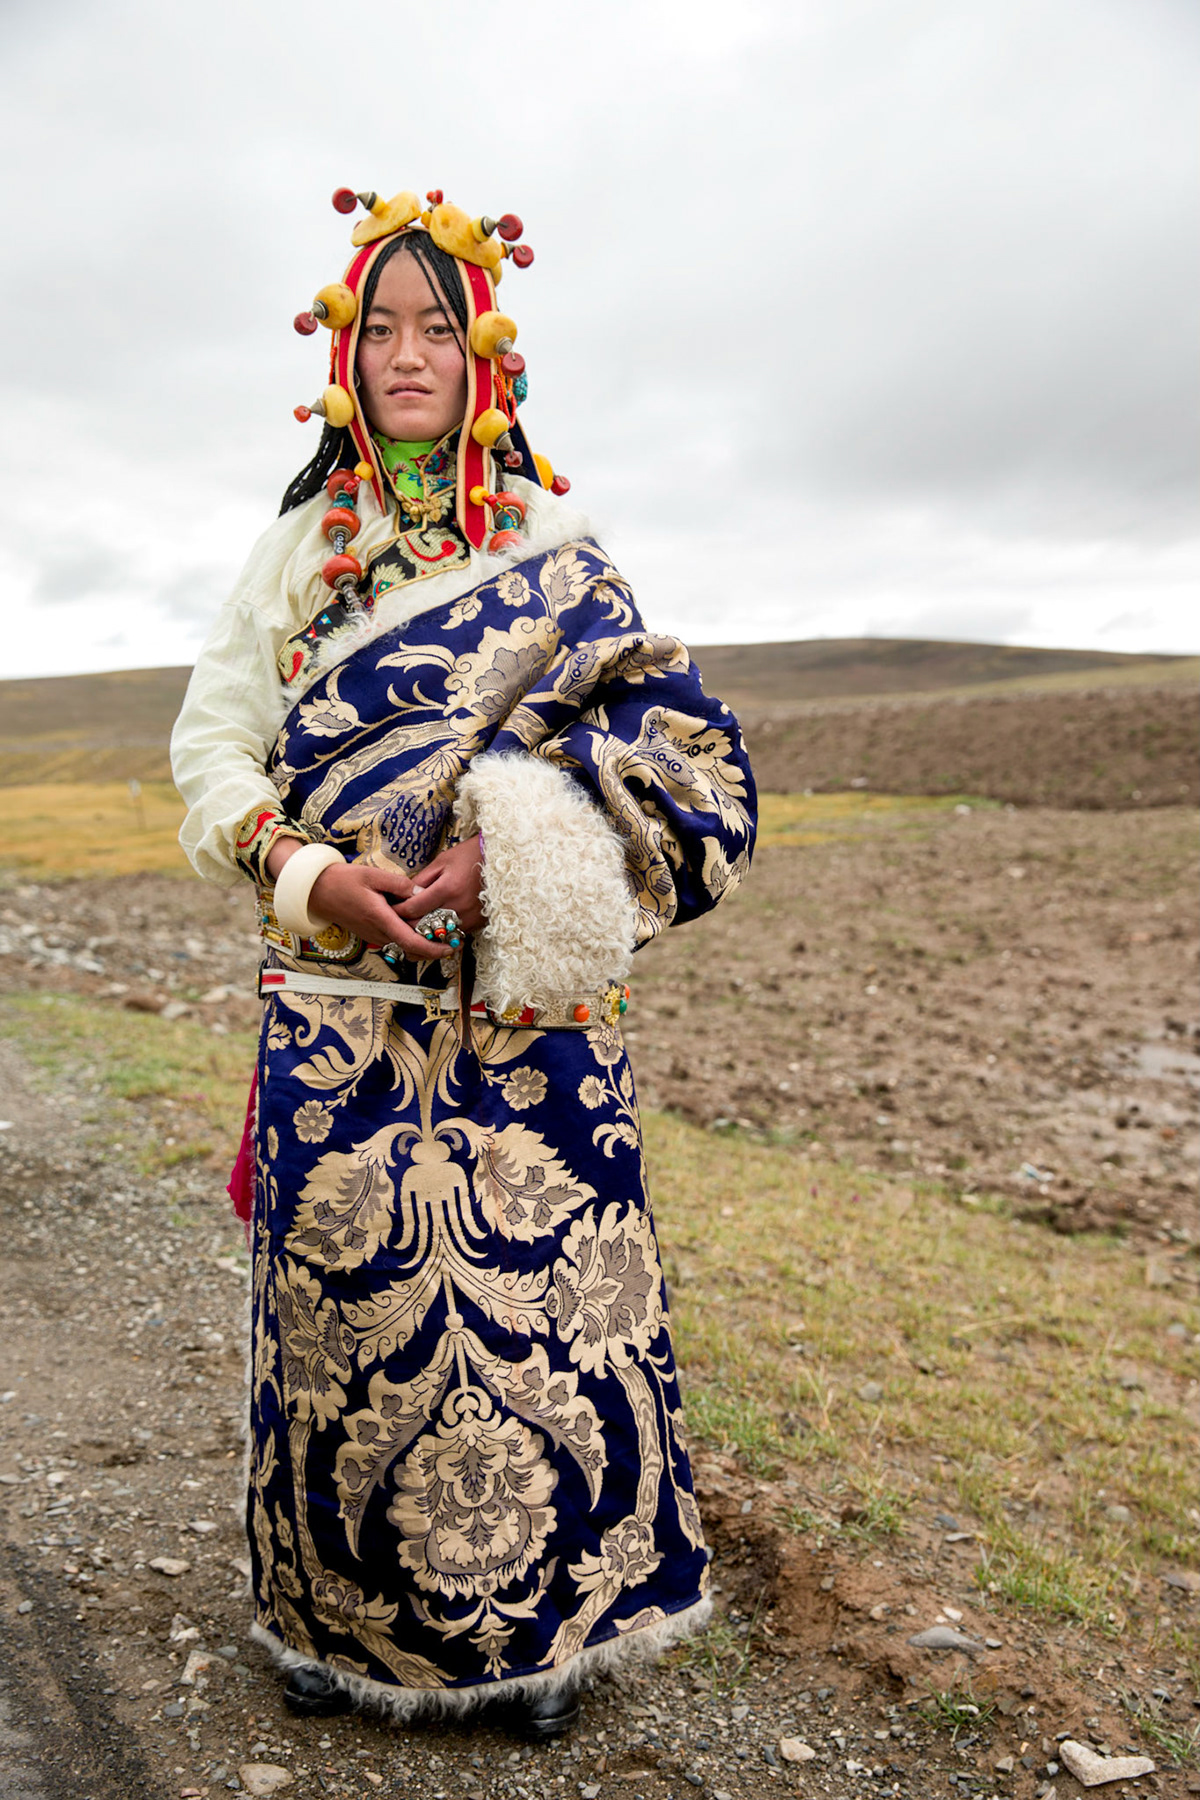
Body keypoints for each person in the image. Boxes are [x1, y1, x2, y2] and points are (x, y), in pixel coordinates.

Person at [170, 185, 756, 1737]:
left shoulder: (565, 557)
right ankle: (333, 1630)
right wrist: (307, 871)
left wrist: (523, 838)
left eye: (441, 326)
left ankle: (538, 1643)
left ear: (489, 354)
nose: (410, 354)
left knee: (541, 1326)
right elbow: (213, 746)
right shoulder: (296, 554)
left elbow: (677, 753)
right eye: (382, 328)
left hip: (526, 1021)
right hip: (340, 1015)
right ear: (343, 357)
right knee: (347, 1327)